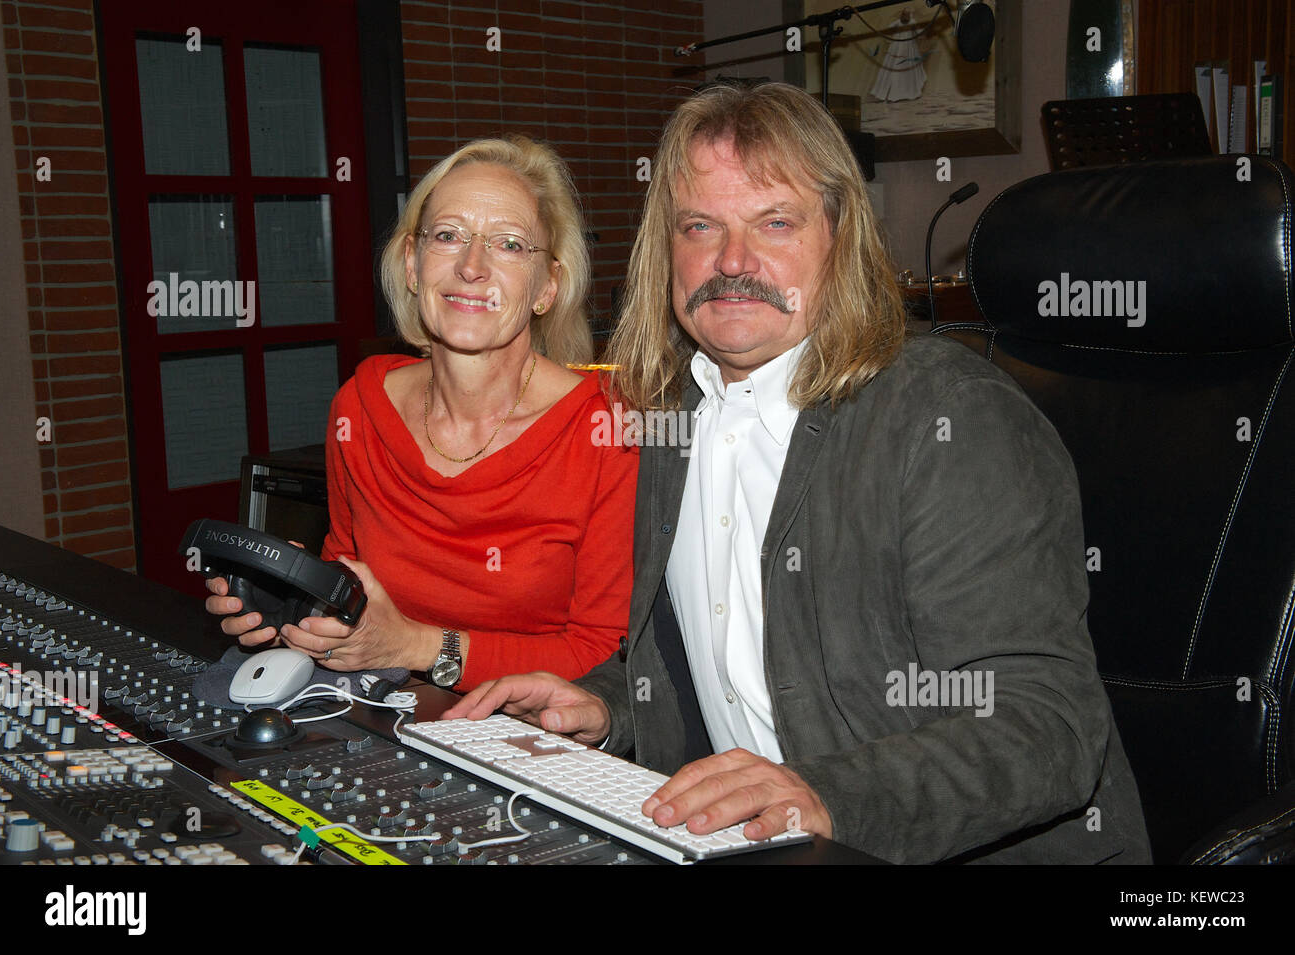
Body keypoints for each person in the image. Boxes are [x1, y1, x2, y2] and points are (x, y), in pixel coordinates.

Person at [444, 83, 1152, 864]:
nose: (732, 261)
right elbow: (718, 658)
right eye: (700, 226)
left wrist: (824, 794)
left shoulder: (952, 419)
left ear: (839, 236)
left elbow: (1046, 724)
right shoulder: (674, 414)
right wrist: (607, 707)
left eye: (774, 222)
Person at [205, 136, 637, 693]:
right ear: (412, 264)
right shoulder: (359, 408)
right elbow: (351, 587)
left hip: (527, 751)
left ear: (547, 287)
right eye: (448, 236)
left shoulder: (606, 433)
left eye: (508, 244)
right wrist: (293, 601)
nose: (471, 267)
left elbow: (603, 655)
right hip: (381, 719)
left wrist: (417, 645)